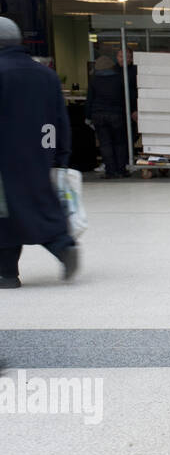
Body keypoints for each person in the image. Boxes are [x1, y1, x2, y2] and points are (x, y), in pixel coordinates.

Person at [0, 17, 79, 288]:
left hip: (4, 157)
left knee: (4, 215)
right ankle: (61, 245)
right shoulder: (45, 74)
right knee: (40, 204)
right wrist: (61, 157)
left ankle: (6, 273)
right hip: (40, 155)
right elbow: (60, 119)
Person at [85, 54, 130, 178]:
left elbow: (89, 100)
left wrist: (88, 117)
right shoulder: (119, 78)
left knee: (105, 144)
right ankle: (121, 170)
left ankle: (110, 171)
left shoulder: (94, 80)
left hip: (99, 115)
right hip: (116, 115)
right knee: (120, 143)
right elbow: (125, 98)